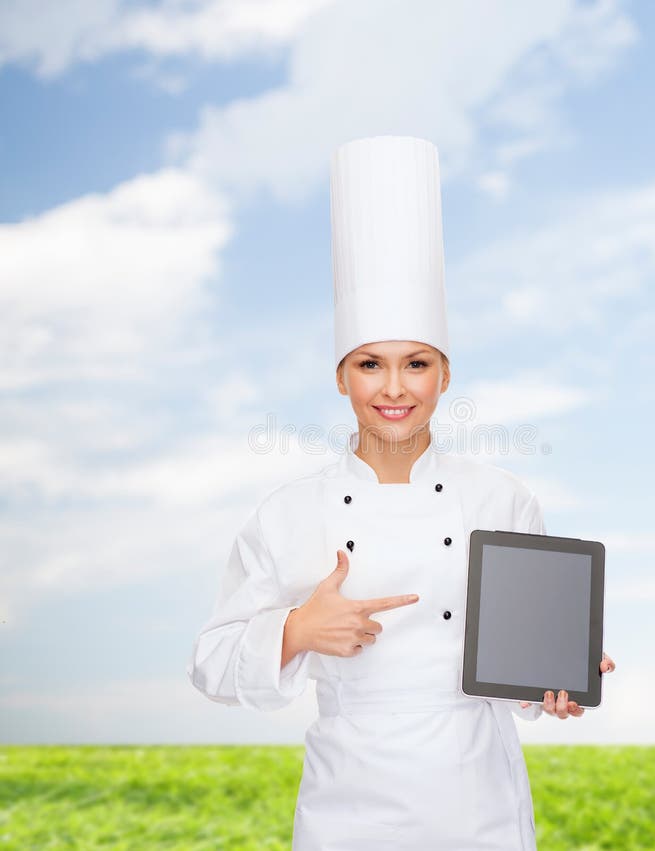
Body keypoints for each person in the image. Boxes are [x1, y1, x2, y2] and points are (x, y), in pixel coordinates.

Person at [187, 135, 616, 850]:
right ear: (340, 375)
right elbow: (210, 663)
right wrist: (295, 630)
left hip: (477, 797)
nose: (393, 388)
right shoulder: (290, 512)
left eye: (416, 363)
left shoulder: (502, 499)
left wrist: (557, 678)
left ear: (445, 374)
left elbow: (518, 670)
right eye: (369, 364)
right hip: (346, 805)